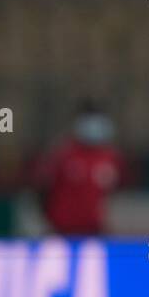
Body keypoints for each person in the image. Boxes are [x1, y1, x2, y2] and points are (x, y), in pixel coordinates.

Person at [34, 101, 122, 236]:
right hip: (61, 230)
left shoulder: (110, 157)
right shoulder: (62, 154)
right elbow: (42, 188)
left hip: (93, 230)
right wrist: (49, 219)